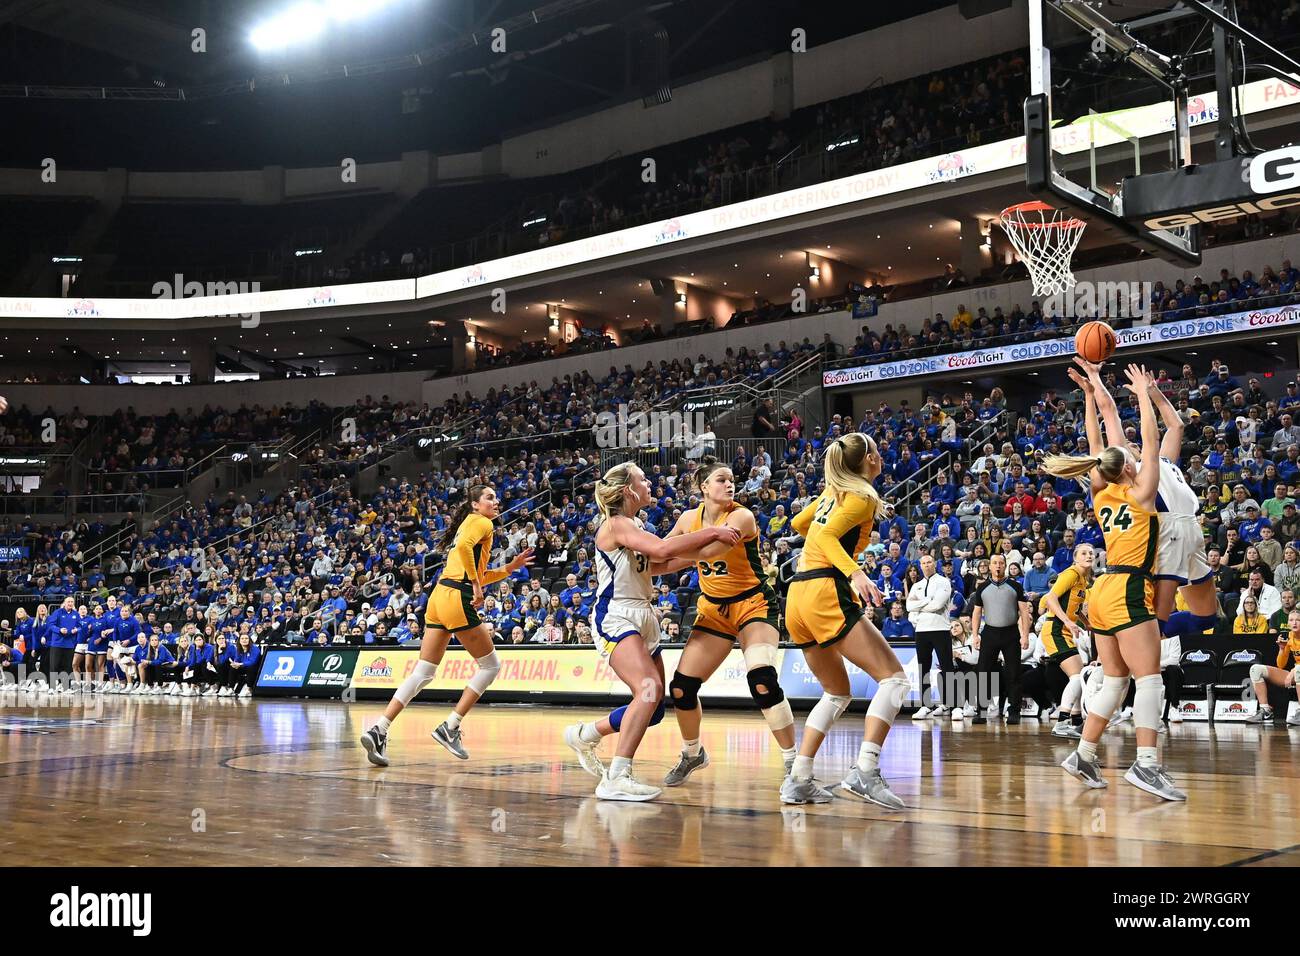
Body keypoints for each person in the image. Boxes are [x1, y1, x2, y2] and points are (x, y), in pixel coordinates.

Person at [1044, 363, 1187, 801]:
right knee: (1149, 680)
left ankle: (1084, 755)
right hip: (1126, 588)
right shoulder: (1142, 490)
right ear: (1129, 469)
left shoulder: (1100, 489)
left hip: (1101, 592)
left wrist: (1093, 392)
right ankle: (1146, 766)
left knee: (1114, 681)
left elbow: (1100, 437)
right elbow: (1150, 438)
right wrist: (1144, 393)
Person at [561, 462, 740, 800]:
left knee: (654, 706)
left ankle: (586, 734)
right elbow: (660, 550)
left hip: (643, 613)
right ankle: (617, 776)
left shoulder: (636, 524)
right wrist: (713, 532)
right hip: (616, 614)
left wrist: (701, 555)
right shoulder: (614, 525)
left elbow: (657, 565)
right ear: (628, 490)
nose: (649, 483)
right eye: (642, 479)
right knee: (648, 687)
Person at [360, 483, 534, 767]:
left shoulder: (469, 522)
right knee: (490, 667)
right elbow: (469, 564)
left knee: (423, 672)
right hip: (457, 598)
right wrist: (477, 587)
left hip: (439, 596)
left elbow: (473, 569)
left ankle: (379, 728)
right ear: (476, 504)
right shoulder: (483, 524)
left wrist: (509, 569)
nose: (496, 500)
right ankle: (450, 727)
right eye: (490, 497)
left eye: (496, 496)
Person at [780, 433, 910, 810]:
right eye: (877, 451)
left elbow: (800, 522)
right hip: (825, 590)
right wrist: (855, 571)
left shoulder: (831, 493)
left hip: (797, 596)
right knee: (895, 680)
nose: (881, 455)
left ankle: (799, 779)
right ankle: (865, 771)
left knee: (837, 692)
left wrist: (829, 541)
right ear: (869, 459)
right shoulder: (863, 495)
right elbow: (828, 535)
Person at [650, 458, 797, 789]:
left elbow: (703, 553)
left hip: (753, 603)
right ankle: (692, 754)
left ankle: (793, 761)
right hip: (714, 610)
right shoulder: (689, 518)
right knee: (681, 689)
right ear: (704, 486)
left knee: (762, 679)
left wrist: (660, 556)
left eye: (732, 480)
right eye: (721, 479)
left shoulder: (741, 517)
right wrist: (645, 565)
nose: (730, 485)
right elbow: (661, 555)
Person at [969, 554, 1032, 724]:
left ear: (1005, 565)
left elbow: (1024, 612)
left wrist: (1025, 635)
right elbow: (976, 613)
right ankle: (981, 710)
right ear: (990, 566)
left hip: (1011, 633)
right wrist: (975, 635)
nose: (998, 566)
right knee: (982, 671)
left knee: (1013, 673)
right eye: (995, 563)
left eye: (1001, 563)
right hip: (989, 633)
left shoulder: (1015, 586)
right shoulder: (982, 588)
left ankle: (1014, 711)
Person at [907, 554, 954, 718]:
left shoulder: (943, 581)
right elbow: (908, 606)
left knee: (947, 667)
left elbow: (938, 605)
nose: (927, 565)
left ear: (935, 564)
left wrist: (918, 607)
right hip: (921, 631)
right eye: (923, 563)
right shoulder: (917, 585)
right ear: (920, 566)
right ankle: (926, 705)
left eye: (929, 562)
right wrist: (927, 601)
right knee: (923, 669)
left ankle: (952, 705)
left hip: (940, 628)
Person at [1246, 608, 1300, 725]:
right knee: (1256, 669)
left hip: (1297, 671)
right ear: (1288, 623)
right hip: (1297, 673)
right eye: (1291, 620)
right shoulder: (1289, 637)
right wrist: (1282, 648)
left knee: (1298, 670)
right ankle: (1265, 711)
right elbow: (1280, 665)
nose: (1294, 623)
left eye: (1298, 620)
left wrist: (1293, 671)